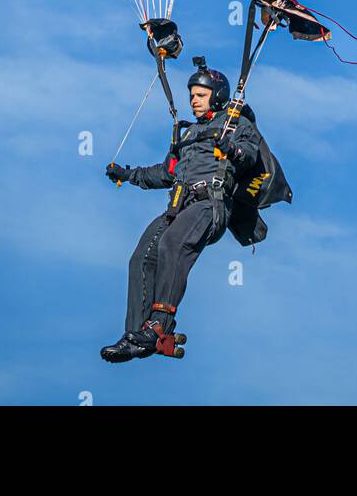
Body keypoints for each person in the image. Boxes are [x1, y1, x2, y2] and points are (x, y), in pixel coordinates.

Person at [100, 58, 263, 362]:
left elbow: (249, 156)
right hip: (179, 206)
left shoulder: (235, 123)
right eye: (191, 95)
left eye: (200, 95)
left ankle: (159, 326)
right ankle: (136, 336)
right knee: (142, 257)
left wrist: (231, 149)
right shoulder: (186, 135)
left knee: (171, 244)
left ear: (216, 95)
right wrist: (127, 175)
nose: (193, 100)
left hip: (209, 206)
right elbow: (165, 173)